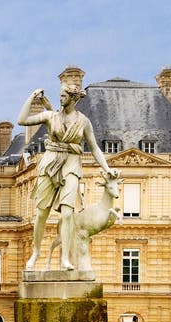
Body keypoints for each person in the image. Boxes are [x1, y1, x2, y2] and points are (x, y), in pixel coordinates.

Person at [18, 84, 118, 271]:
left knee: (67, 214)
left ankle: (65, 258)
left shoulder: (83, 122)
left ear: (73, 98)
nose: (60, 99)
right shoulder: (51, 117)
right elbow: (22, 120)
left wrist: (107, 168)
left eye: (63, 96)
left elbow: (94, 147)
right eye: (60, 96)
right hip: (50, 163)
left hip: (71, 164)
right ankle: (36, 253)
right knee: (41, 214)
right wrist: (32, 96)